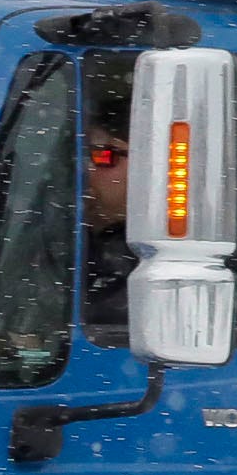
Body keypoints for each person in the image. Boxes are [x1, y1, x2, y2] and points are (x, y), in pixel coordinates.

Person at [82, 124, 136, 335]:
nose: (86, 170)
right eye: (80, 157)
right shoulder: (48, 241)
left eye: (102, 156)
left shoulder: (178, 252)